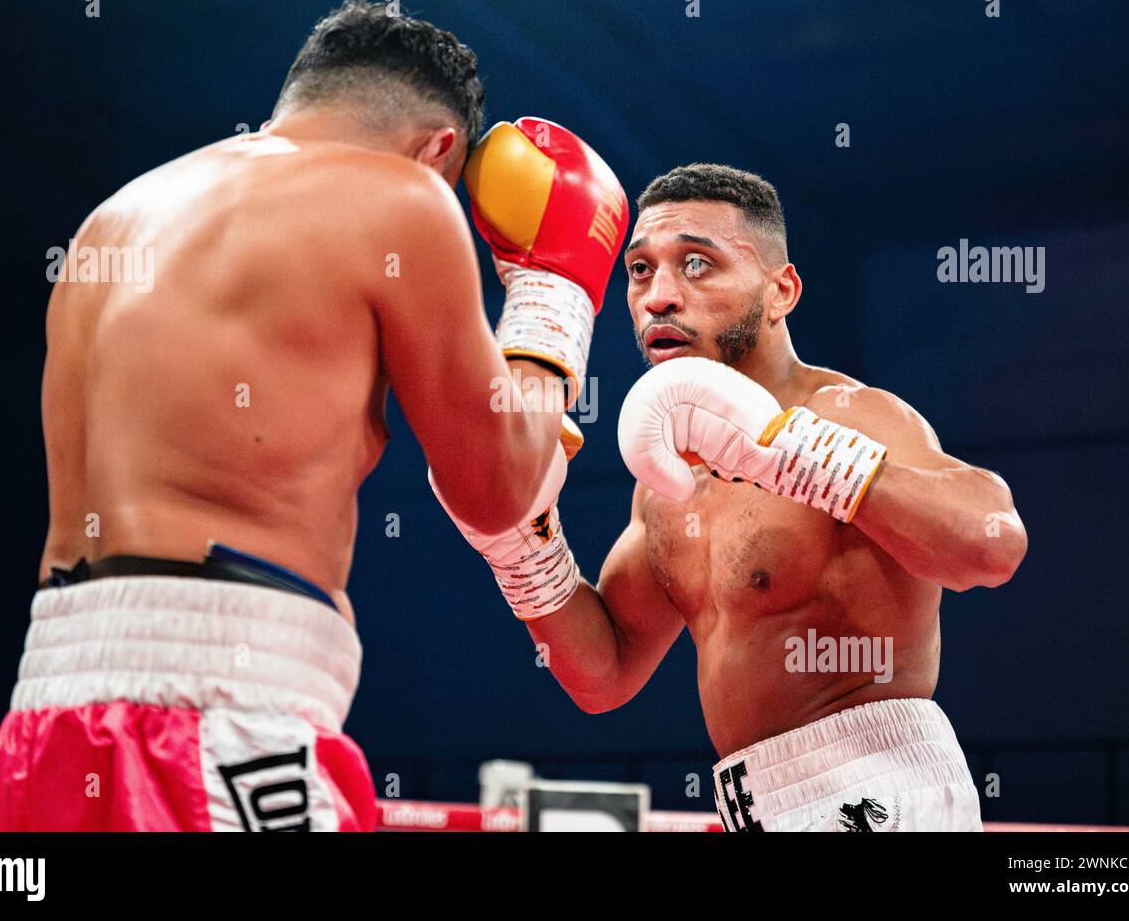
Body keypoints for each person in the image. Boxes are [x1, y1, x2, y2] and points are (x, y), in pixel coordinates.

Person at [0, 0, 627, 831]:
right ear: (439, 149)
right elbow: (500, 486)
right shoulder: (401, 196)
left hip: (46, 716)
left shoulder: (114, 218)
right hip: (221, 710)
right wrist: (554, 297)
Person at [436, 163, 1026, 832]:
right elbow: (606, 674)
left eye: (696, 264)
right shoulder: (668, 480)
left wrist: (792, 453)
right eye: (639, 270)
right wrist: (519, 541)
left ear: (780, 291)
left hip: (875, 794)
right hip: (760, 807)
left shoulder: (850, 414)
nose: (659, 295)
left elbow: (991, 546)